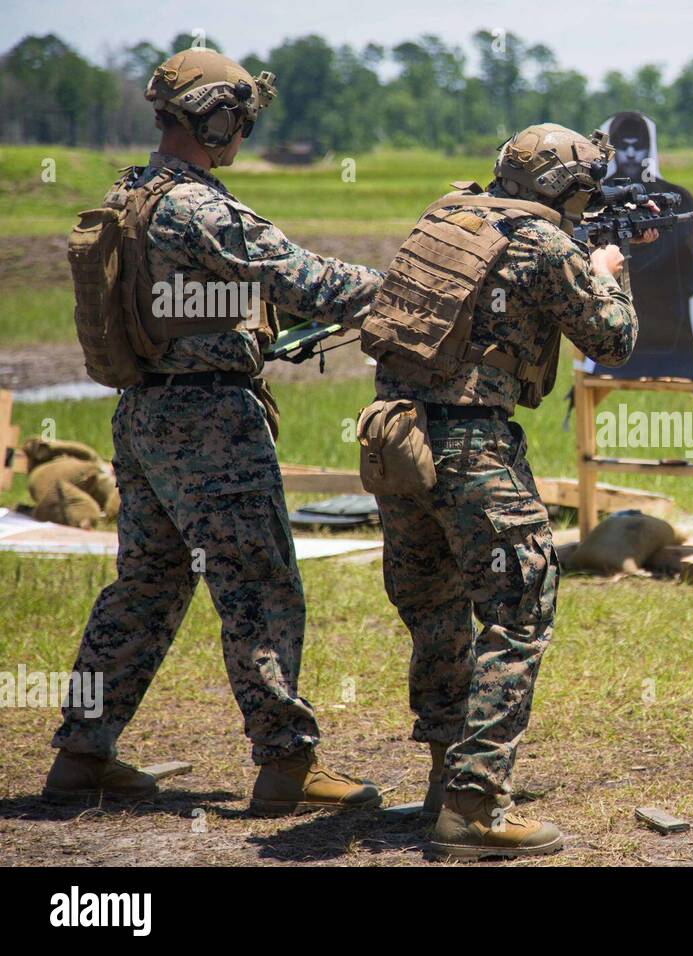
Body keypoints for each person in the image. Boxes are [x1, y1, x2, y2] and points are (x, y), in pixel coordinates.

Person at [46, 47, 384, 816]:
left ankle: (81, 754)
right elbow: (304, 279)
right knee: (259, 590)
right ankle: (286, 765)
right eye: (240, 117)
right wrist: (409, 288)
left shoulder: (135, 192)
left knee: (146, 587)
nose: (245, 132)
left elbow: (208, 300)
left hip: (146, 418)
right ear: (217, 116)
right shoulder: (197, 206)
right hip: (211, 426)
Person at [359, 123, 649, 859]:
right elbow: (611, 338)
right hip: (470, 446)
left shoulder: (447, 216)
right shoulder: (547, 244)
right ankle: (475, 805)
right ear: (569, 191)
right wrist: (610, 269)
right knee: (518, 611)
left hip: (398, 442)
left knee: (437, 611)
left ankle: (442, 781)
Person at [588, 111, 693, 380]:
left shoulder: (681, 199)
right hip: (613, 330)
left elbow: (689, 277)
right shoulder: (594, 200)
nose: (629, 153)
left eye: (636, 145)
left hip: (669, 336)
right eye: (622, 146)